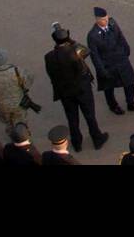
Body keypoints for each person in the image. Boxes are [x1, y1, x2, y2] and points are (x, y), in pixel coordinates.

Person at [43, 22, 108, 152]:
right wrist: (71, 40)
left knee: (72, 118)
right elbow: (86, 50)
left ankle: (77, 143)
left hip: (65, 92)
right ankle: (97, 138)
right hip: (82, 89)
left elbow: (51, 74)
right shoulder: (74, 51)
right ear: (66, 38)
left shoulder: (49, 57)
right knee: (90, 115)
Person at [86, 7, 134, 115]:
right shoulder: (93, 35)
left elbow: (120, 36)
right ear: (97, 20)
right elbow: (95, 56)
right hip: (108, 65)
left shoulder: (112, 23)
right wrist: (102, 70)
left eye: (107, 18)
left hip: (121, 60)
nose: (106, 21)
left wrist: (126, 49)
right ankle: (113, 106)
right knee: (109, 88)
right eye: (103, 20)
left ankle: (131, 103)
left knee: (129, 83)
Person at [0, 49, 36, 135]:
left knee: (8, 122)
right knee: (21, 123)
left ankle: (11, 134)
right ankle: (24, 138)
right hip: (19, 105)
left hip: (2, 106)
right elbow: (28, 82)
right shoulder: (16, 71)